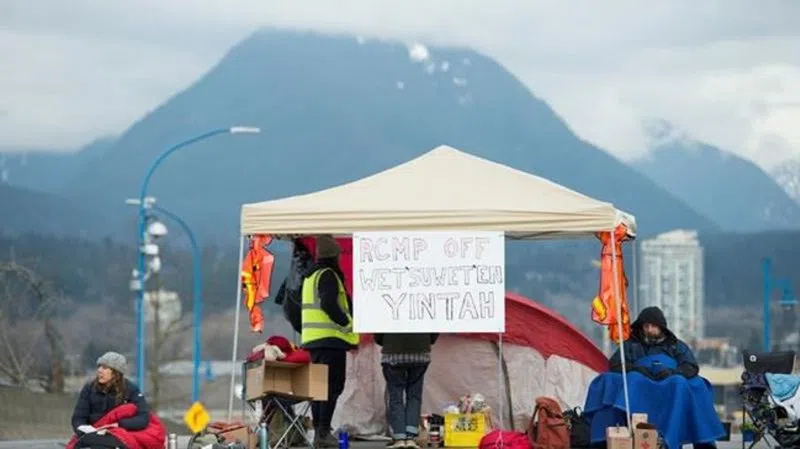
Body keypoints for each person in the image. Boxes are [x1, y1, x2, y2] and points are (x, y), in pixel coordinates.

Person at [584, 306, 723, 449]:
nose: (649, 329)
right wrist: (637, 369)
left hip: (671, 386)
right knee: (618, 379)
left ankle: (671, 438)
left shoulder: (676, 346)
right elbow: (616, 364)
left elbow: (691, 366)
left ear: (661, 327)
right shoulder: (631, 345)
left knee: (684, 383)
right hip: (639, 386)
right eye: (646, 326)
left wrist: (673, 373)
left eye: (653, 326)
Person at [301, 235, 360, 448]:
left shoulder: (310, 276)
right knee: (332, 387)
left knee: (319, 389)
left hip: (313, 341)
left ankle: (320, 432)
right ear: (334, 256)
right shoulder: (328, 275)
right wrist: (346, 324)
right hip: (330, 340)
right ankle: (323, 433)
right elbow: (329, 304)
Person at [70, 352, 151, 449]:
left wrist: (119, 425)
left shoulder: (131, 389)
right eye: (99, 367)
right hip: (92, 435)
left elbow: (143, 418)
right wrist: (86, 430)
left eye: (104, 368)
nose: (99, 370)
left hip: (119, 435)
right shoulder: (89, 388)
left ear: (116, 373)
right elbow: (78, 418)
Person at [375, 333, 439, 449]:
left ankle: (399, 438)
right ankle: (411, 437)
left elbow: (378, 334)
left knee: (396, 396)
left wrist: (383, 340)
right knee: (414, 396)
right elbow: (434, 328)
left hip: (393, 353)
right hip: (420, 351)